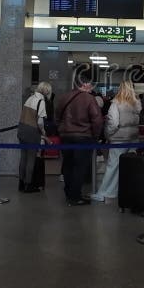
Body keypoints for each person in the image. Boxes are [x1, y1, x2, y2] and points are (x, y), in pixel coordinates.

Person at [55, 76, 104, 206]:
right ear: (84, 84)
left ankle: (68, 193)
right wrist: (95, 136)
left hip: (65, 136)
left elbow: (57, 116)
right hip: (83, 137)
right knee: (79, 167)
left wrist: (61, 130)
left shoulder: (64, 97)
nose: (91, 87)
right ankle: (75, 196)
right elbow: (97, 120)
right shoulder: (89, 98)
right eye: (90, 84)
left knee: (67, 165)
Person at [92, 80, 141, 202]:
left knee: (113, 166)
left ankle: (105, 193)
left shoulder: (116, 103)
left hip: (119, 139)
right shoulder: (137, 104)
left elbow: (113, 123)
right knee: (129, 167)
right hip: (133, 139)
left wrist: (108, 135)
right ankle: (126, 192)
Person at [17, 82, 51, 193]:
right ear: (46, 91)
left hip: (22, 129)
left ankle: (21, 183)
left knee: (23, 157)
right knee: (31, 158)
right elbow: (40, 122)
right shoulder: (41, 101)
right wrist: (43, 132)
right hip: (32, 132)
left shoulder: (30, 98)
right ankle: (28, 185)